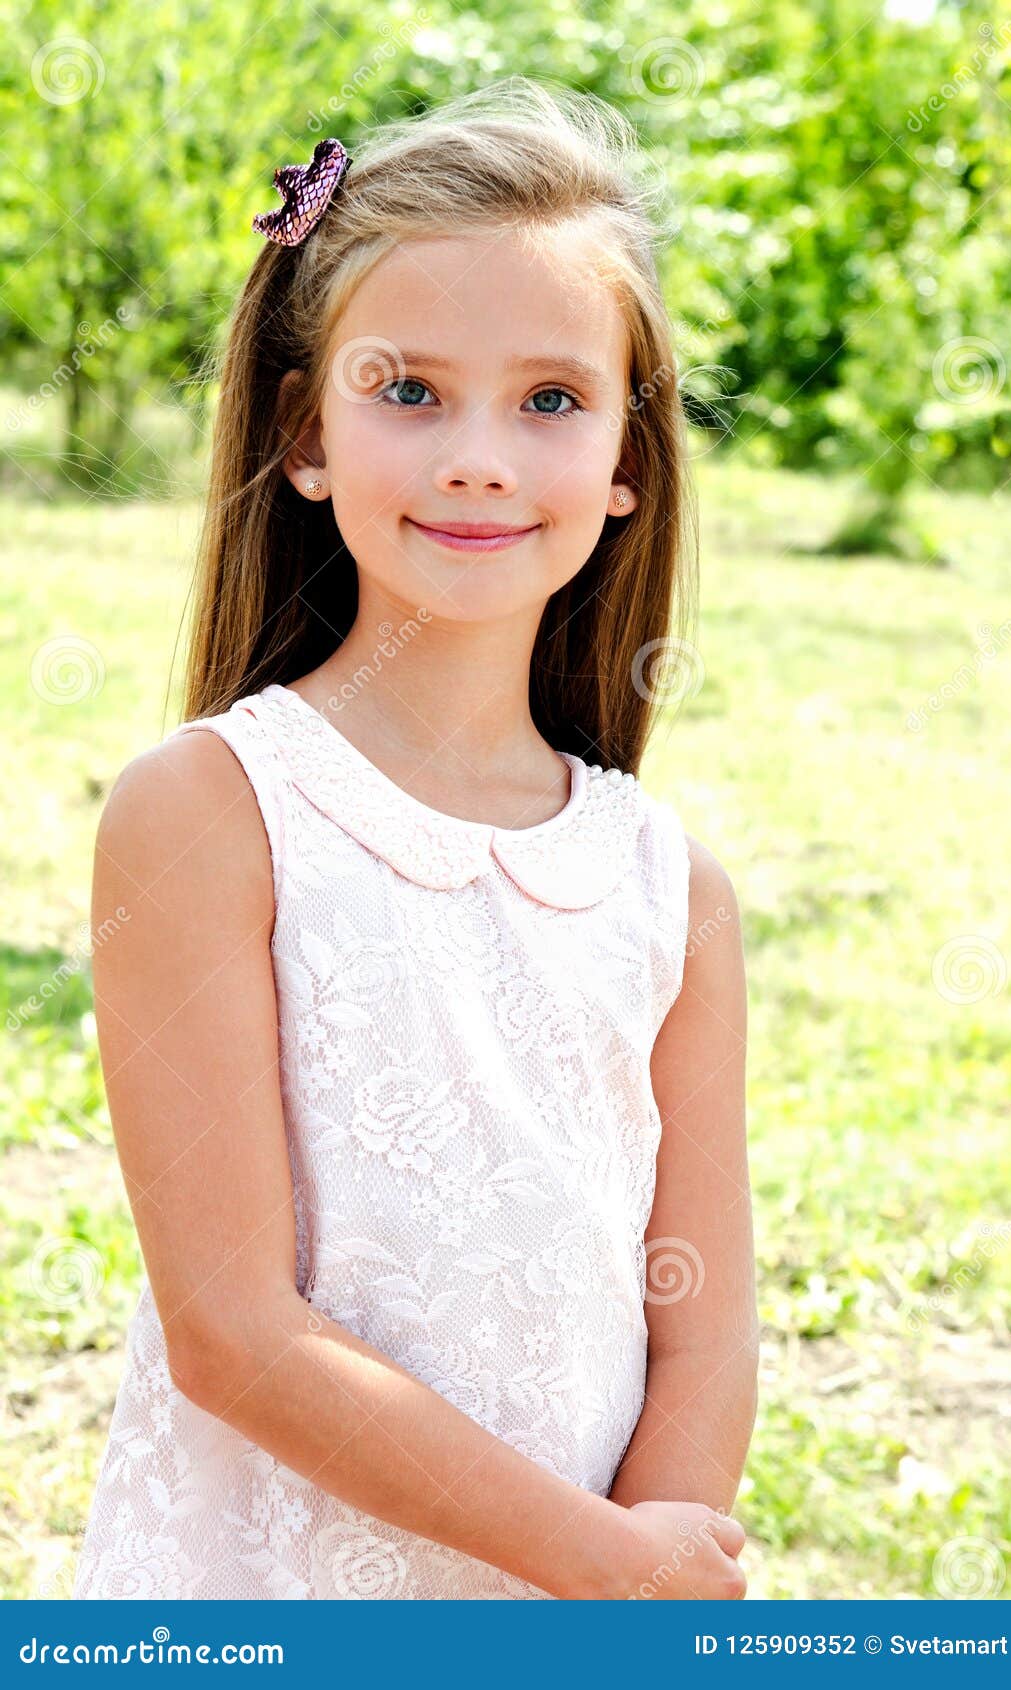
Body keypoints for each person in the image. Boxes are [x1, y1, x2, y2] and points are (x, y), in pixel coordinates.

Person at [71, 77, 757, 1601]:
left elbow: (699, 1321)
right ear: (304, 436)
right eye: (408, 391)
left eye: (551, 400)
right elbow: (234, 1331)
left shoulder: (667, 886)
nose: (479, 457)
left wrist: (636, 1579)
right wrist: (608, 1564)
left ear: (626, 461)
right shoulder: (211, 813)